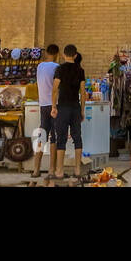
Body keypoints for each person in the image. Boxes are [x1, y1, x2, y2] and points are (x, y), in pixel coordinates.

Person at [50, 43, 87, 182]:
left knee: (61, 138)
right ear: (75, 55)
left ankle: (59, 171)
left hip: (63, 108)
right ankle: (77, 170)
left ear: (64, 55)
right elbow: (83, 93)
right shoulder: (80, 70)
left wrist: (54, 107)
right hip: (75, 108)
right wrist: (82, 110)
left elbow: (54, 90)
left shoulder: (60, 69)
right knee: (77, 137)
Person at [31, 44, 60, 178]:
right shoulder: (56, 67)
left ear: (47, 53)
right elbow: (57, 88)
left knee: (42, 135)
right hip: (54, 105)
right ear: (57, 54)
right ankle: (51, 170)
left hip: (43, 105)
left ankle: (36, 169)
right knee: (54, 137)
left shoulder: (40, 66)